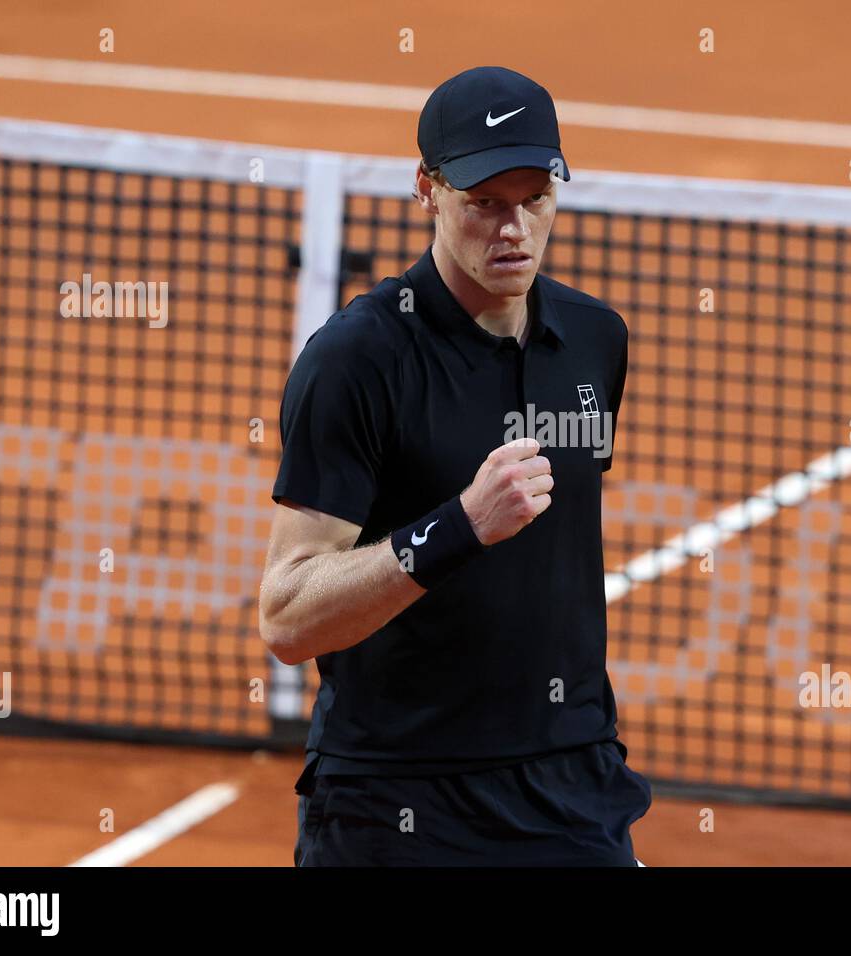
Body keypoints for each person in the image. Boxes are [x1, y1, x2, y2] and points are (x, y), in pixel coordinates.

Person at [259, 65, 650, 866]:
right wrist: (459, 527)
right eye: (484, 203)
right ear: (426, 190)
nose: (514, 229)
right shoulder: (357, 361)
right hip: (396, 798)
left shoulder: (593, 340)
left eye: (534, 198)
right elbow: (289, 616)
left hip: (568, 782)